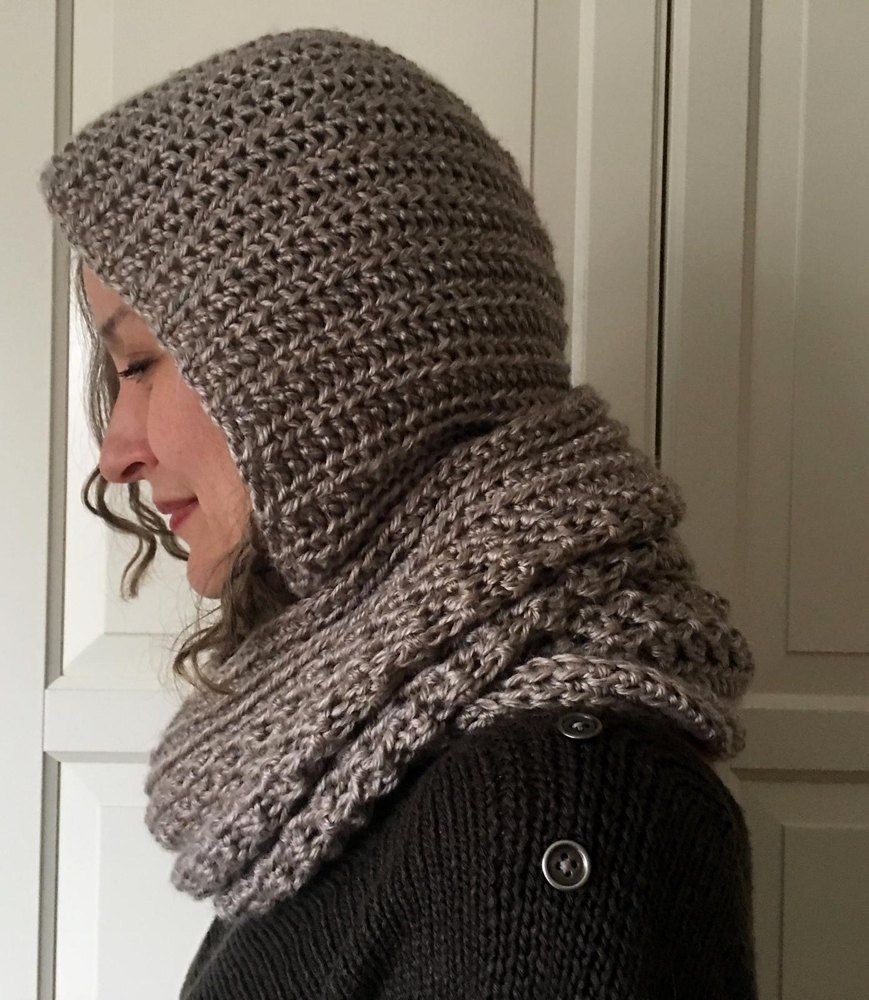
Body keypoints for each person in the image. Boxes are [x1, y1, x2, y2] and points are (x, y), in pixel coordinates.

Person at [41, 27, 759, 1000]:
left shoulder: (555, 811)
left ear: (320, 368)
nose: (115, 450)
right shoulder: (353, 751)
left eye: (137, 365)